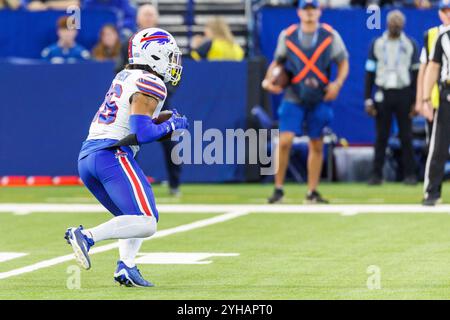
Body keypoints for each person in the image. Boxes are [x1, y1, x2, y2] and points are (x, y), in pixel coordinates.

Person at [64, 28, 187, 287]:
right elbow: (142, 133)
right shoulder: (151, 81)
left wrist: (163, 123)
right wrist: (172, 125)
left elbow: (137, 124)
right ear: (154, 55)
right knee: (147, 221)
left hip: (89, 156)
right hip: (112, 154)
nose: (174, 63)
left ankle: (127, 267)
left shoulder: (126, 75)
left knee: (131, 217)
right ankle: (86, 236)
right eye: (169, 56)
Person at [263, 0, 349, 204]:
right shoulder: (288, 35)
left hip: (319, 94)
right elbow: (278, 62)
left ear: (319, 11)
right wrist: (268, 80)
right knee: (284, 141)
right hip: (294, 92)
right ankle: (278, 188)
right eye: (306, 9)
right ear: (299, 12)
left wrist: (337, 84)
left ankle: (312, 191)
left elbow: (343, 61)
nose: (309, 13)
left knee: (317, 142)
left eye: (313, 9)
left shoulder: (330, 35)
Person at [117, 3, 183, 196]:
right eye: (144, 15)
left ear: (157, 18)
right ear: (137, 18)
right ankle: (127, 181)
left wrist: (162, 91)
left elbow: (174, 72)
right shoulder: (128, 43)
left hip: (159, 99)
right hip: (134, 100)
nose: (147, 18)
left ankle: (175, 183)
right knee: (132, 139)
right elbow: (120, 70)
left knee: (169, 141)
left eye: (151, 15)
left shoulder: (167, 43)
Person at [364, 10, 419, 185]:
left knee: (406, 136)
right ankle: (376, 175)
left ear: (403, 25)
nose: (395, 25)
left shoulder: (410, 44)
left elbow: (417, 73)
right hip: (383, 91)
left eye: (398, 22)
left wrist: (415, 100)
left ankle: (410, 174)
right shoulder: (377, 44)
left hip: (404, 92)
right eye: (392, 22)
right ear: (387, 24)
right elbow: (369, 73)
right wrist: (368, 98)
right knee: (381, 136)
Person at [416, 1, 450, 205]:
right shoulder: (440, 37)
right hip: (447, 94)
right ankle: (432, 191)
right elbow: (432, 67)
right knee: (438, 146)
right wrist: (425, 98)